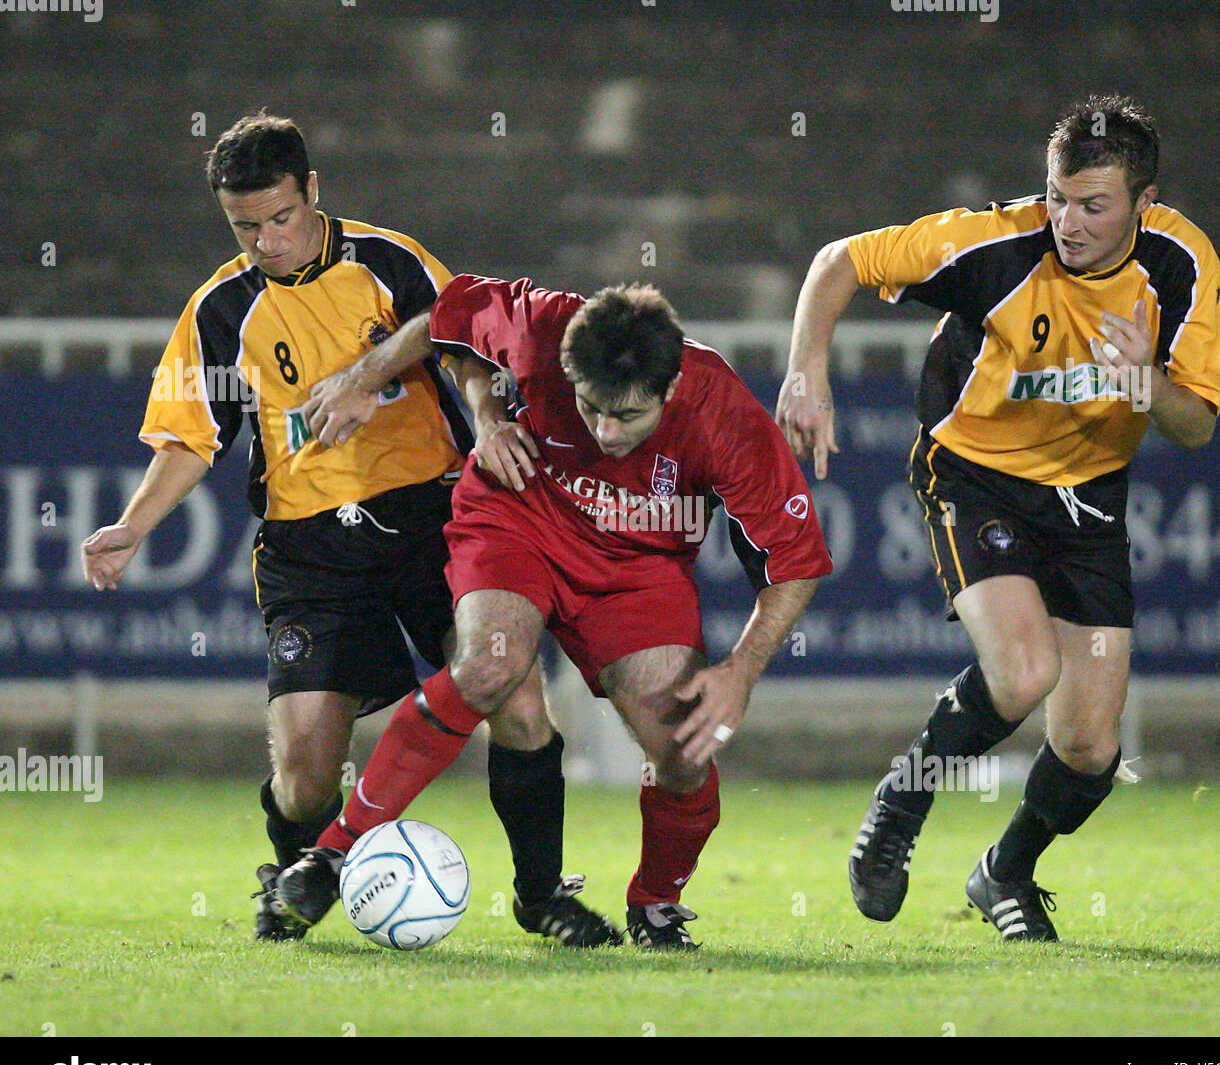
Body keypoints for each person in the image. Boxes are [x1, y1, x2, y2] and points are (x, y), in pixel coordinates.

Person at [80, 113, 620, 948]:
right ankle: (296, 876)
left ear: (314, 193)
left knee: (513, 690)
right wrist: (133, 524)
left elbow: (465, 343)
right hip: (311, 549)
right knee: (301, 772)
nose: (266, 240)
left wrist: (482, 420)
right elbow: (192, 434)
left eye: (280, 218)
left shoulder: (389, 262)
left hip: (435, 520)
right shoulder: (221, 310)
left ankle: (541, 893)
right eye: (245, 226)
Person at [776, 94, 1220, 941]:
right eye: (1059, 196)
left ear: (1145, 200)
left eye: (1094, 205)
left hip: (1090, 492)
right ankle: (901, 803)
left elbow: (1198, 423)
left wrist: (1149, 384)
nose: (1069, 220)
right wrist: (807, 371)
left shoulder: (1182, 265)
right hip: (974, 473)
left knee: (1093, 746)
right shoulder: (995, 243)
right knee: (1024, 672)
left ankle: (1005, 873)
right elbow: (839, 260)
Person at [276, 273, 833, 948]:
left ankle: (655, 902)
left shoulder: (724, 411)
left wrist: (741, 671)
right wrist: (441, 400)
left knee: (685, 747)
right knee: (489, 666)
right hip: (519, 518)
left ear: (672, 388)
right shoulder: (544, 326)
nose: (603, 429)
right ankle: (332, 854)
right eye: (590, 406)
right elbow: (448, 318)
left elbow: (796, 563)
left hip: (637, 569)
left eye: (627, 416)